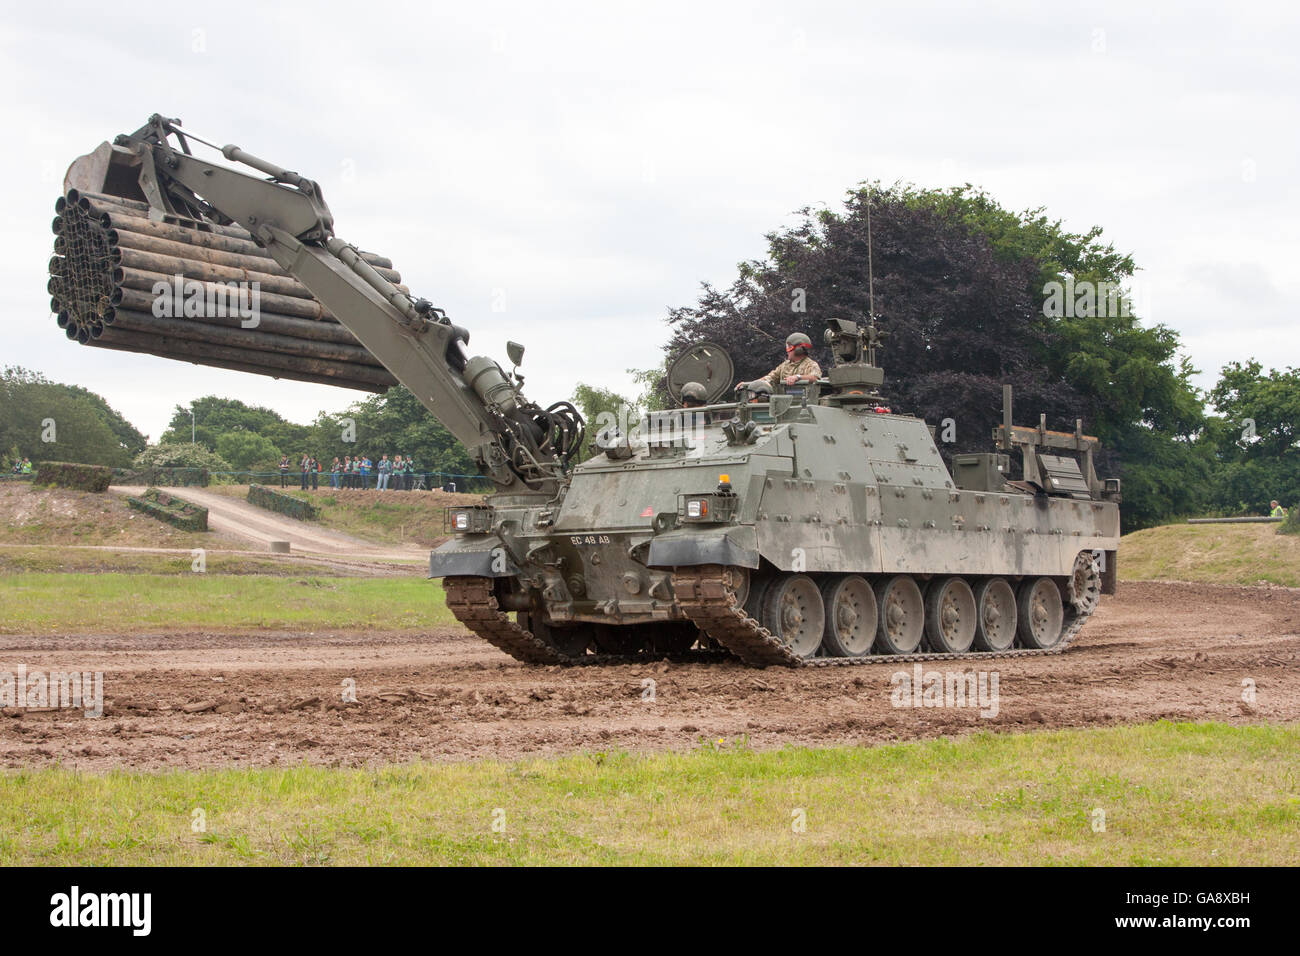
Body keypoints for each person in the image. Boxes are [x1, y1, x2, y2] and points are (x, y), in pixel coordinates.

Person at [737, 332, 822, 393]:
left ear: (799, 349)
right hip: (782, 404)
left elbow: (815, 378)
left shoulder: (811, 364)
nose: (787, 350)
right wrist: (748, 384)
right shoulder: (784, 366)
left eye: (789, 347)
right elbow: (770, 378)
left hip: (803, 404)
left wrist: (798, 377)